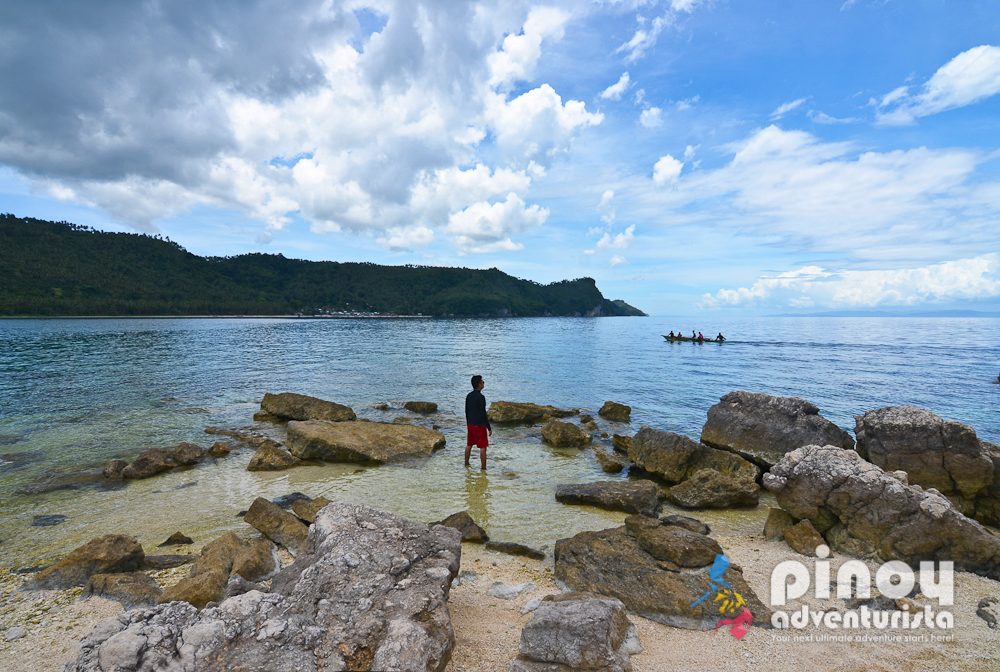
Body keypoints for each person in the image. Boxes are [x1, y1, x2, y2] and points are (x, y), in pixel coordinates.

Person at [465, 375, 492, 469]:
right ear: (479, 384)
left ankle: (466, 463)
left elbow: (467, 411)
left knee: (469, 444)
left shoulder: (469, 396)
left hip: (470, 424)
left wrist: (468, 423)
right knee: (483, 447)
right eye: (482, 382)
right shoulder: (481, 397)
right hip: (479, 425)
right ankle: (484, 468)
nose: (483, 383)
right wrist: (489, 427)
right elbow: (483, 413)